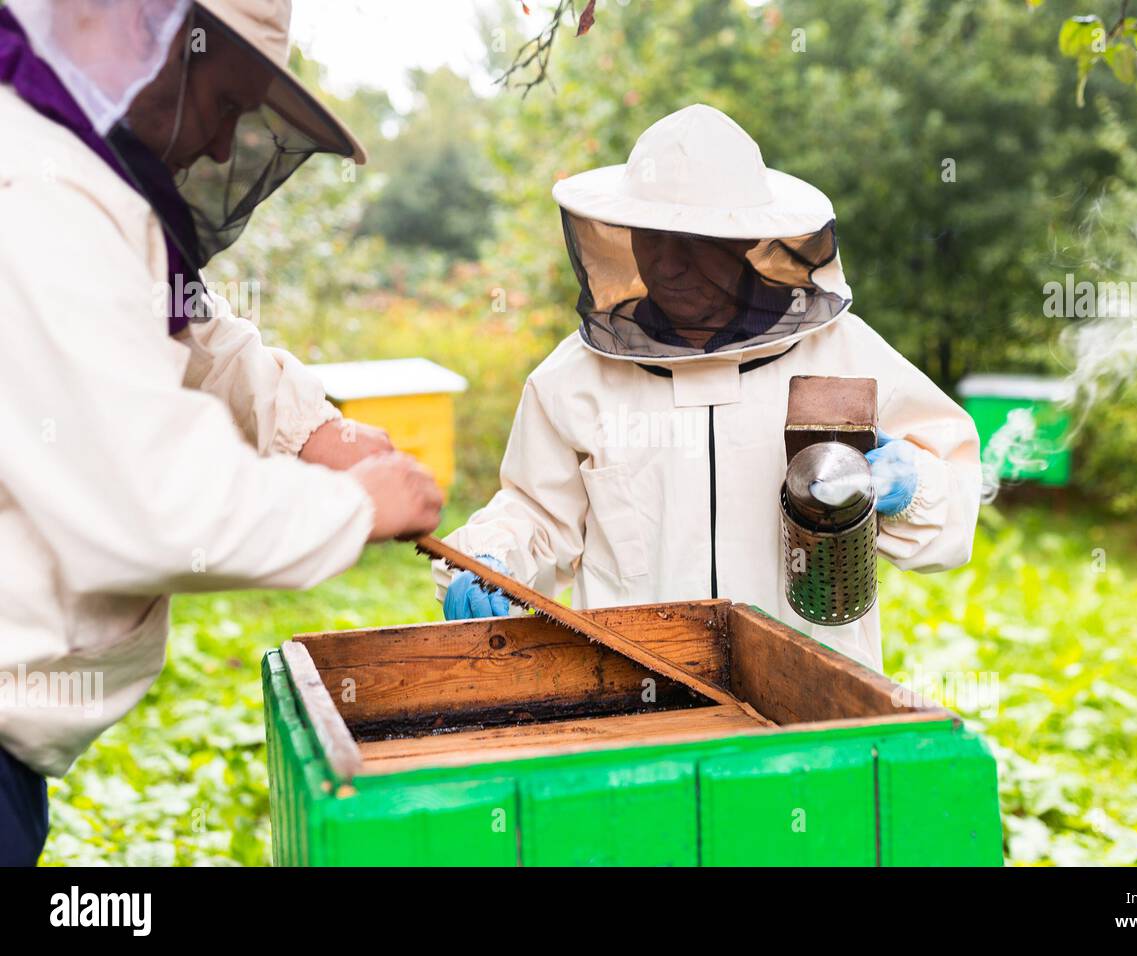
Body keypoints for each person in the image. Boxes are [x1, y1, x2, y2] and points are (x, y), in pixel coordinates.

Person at [0, 0, 443, 866]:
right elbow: (155, 507)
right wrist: (354, 505)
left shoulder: (64, 168)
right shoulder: (37, 193)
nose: (215, 148)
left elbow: (191, 334)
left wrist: (312, 430)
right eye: (225, 104)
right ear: (147, 33)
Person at [435, 104, 981, 669]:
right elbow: (537, 514)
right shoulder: (573, 379)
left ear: (743, 240)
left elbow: (954, 521)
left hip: (814, 691)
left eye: (694, 240)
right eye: (652, 238)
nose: (668, 265)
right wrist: (490, 558)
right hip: (635, 694)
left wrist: (914, 486)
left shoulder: (847, 355)